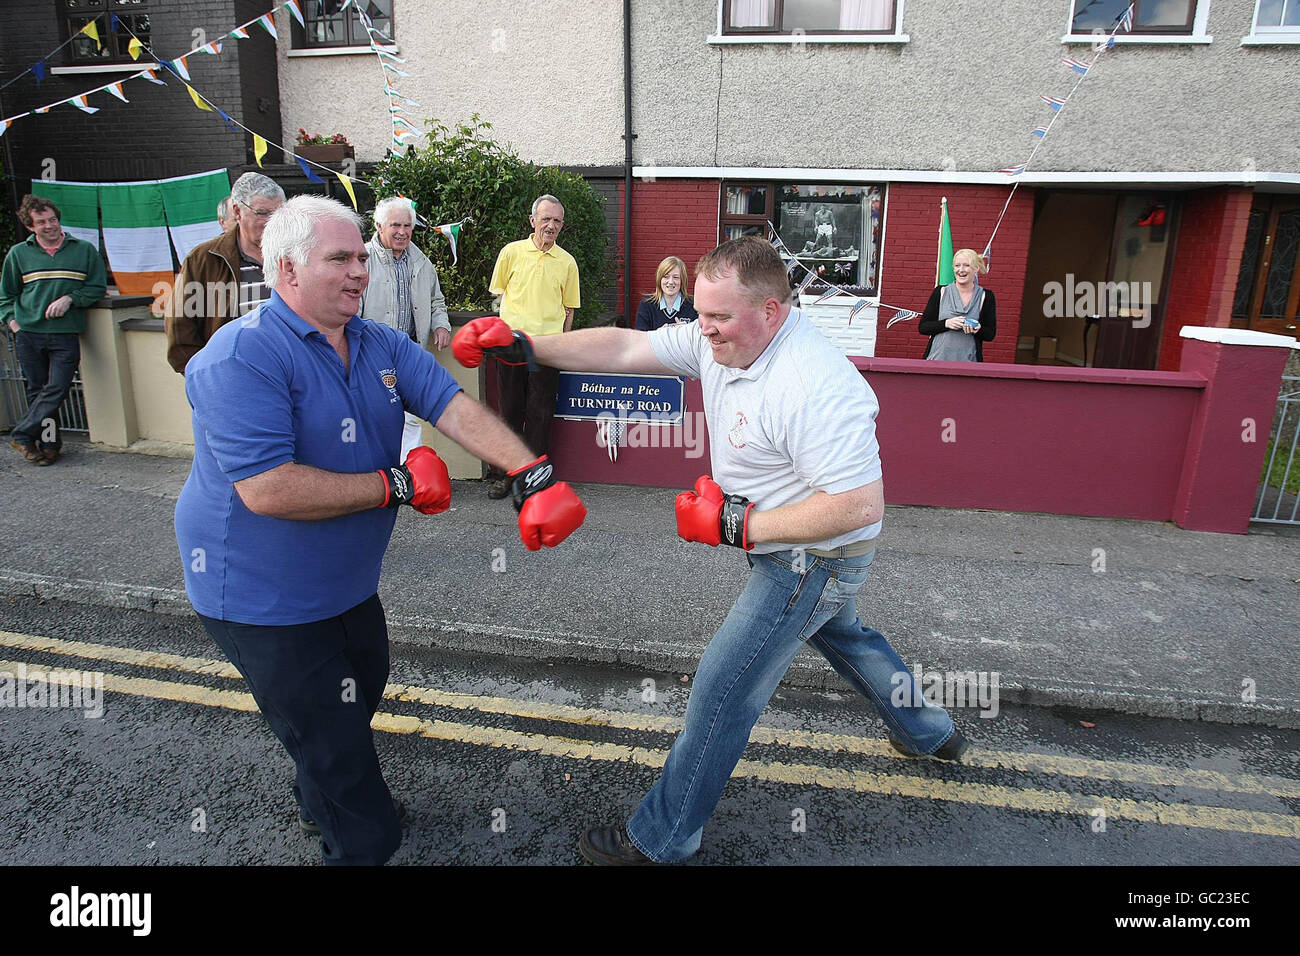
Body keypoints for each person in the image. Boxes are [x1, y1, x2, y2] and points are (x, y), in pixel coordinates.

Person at [453, 236, 966, 866]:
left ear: (773, 312)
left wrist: (737, 526)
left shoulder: (815, 383)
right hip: (798, 551)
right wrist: (526, 345)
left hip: (814, 561)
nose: (705, 330)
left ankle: (665, 838)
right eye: (701, 312)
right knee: (849, 640)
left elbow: (861, 506)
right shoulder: (720, 335)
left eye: (719, 318)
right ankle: (931, 732)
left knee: (723, 693)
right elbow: (624, 344)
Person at [174, 195, 586, 866]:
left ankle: (323, 797)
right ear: (287, 271)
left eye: (361, 257)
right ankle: (354, 828)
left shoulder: (377, 343)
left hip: (347, 583)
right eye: (339, 258)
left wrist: (532, 473)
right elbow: (269, 488)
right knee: (352, 782)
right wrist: (394, 485)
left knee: (358, 696)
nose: (360, 270)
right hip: (258, 594)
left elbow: (451, 404)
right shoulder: (239, 357)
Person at [484, 194, 580, 498]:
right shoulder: (511, 253)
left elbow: (569, 309)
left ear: (562, 226)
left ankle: (533, 478)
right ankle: (505, 475)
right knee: (510, 409)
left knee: (540, 413)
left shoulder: (567, 262)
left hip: (548, 347)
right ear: (532, 221)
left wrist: (562, 345)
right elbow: (497, 297)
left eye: (557, 221)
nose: (551, 226)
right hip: (511, 344)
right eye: (546, 219)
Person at [1, 194, 107, 465]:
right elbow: (7, 295)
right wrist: (14, 324)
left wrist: (71, 298)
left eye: (52, 219)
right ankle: (48, 446)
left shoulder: (83, 250)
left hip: (64, 332)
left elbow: (96, 287)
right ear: (30, 226)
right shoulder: (18, 254)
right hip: (28, 332)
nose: (50, 225)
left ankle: (22, 434)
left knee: (56, 388)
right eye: (41, 222)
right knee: (38, 390)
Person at [359, 197, 452, 462]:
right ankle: (378, 470)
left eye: (407, 226)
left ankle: (409, 472)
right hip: (372, 352)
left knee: (411, 416)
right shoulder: (362, 260)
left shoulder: (421, 261)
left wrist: (442, 324)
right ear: (379, 226)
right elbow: (350, 306)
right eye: (395, 225)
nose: (402, 232)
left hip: (410, 350)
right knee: (376, 412)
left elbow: (436, 299)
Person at [165, 172, 286, 373]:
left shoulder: (296, 253)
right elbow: (180, 330)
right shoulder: (204, 258)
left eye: (278, 213)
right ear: (238, 212)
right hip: (234, 377)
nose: (272, 221)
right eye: (262, 213)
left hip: (293, 376)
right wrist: (205, 378)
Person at [918, 248, 997, 362]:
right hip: (937, 359)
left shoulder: (986, 296)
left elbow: (990, 334)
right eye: (957, 265)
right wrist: (946, 323)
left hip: (969, 361)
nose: (961, 270)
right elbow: (923, 327)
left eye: (966, 265)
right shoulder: (941, 292)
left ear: (976, 268)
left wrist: (978, 329)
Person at [634, 256, 698, 331]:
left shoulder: (694, 305)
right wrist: (660, 334)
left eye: (676, 277)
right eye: (666, 277)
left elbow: (701, 337)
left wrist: (686, 332)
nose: (670, 282)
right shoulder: (647, 304)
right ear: (659, 279)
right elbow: (640, 337)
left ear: (682, 281)